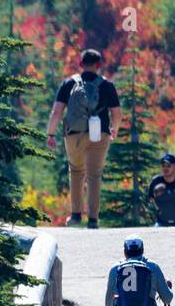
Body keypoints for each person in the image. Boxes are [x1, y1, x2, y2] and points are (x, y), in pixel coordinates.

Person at [47, 49, 121, 229]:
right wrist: (114, 129)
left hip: (74, 134)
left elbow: (57, 111)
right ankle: (93, 220)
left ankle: (76, 216)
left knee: (76, 171)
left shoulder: (68, 83)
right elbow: (117, 113)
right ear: (99, 65)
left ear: (81, 64)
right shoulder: (107, 85)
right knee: (94, 175)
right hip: (99, 134)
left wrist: (50, 133)